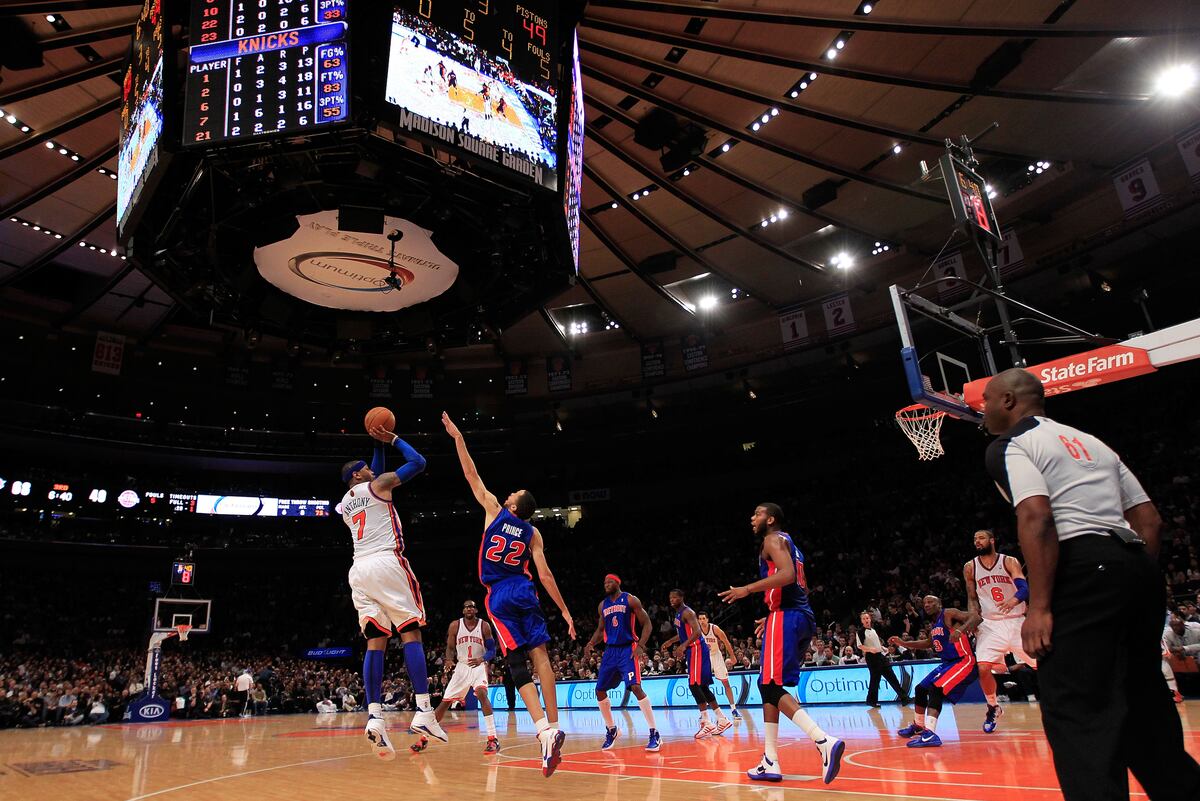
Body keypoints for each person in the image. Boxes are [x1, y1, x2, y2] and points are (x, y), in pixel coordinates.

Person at [981, 367, 1200, 800]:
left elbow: (1037, 516)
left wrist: (1040, 606)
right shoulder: (1094, 443)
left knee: (1079, 717)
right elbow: (1149, 521)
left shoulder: (1011, 445)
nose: (982, 409)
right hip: (1135, 565)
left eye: (987, 399)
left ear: (1008, 400)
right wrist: (1127, 576)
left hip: (1081, 565)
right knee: (1145, 711)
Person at [442, 412, 575, 778]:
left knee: (516, 663)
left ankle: (543, 730)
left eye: (513, 494)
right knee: (541, 657)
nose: (508, 494)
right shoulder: (533, 534)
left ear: (514, 507)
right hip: (526, 589)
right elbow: (545, 575)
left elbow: (471, 474)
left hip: (499, 594)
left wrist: (458, 438)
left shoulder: (495, 511)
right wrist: (565, 611)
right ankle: (554, 725)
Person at [339, 422, 445, 763]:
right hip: (386, 562)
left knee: (376, 641)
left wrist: (377, 444)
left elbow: (375, 472)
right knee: (410, 631)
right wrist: (395, 439)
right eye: (367, 468)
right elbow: (419, 463)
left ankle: (374, 717)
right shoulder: (378, 485)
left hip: (359, 571)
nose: (373, 470)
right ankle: (425, 711)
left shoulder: (345, 504)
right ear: (358, 475)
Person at [719, 503, 845, 785]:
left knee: (768, 686)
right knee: (770, 686)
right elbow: (802, 586)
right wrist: (773, 614)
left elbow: (787, 575)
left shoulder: (772, 540)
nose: (752, 517)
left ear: (771, 519)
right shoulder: (792, 544)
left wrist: (747, 590)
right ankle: (770, 759)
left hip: (787, 616)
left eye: (758, 513)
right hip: (799, 615)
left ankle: (823, 740)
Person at [963, 528, 1036, 732]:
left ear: (992, 540)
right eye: (975, 539)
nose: (977, 541)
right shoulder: (970, 567)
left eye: (981, 538)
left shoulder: (1009, 561)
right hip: (990, 624)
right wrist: (972, 619)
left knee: (1042, 664)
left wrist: (1013, 600)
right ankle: (993, 707)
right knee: (983, 668)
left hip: (1016, 621)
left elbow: (1024, 588)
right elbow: (972, 598)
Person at [582, 574, 661, 752]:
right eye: (604, 583)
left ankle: (654, 732)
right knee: (599, 690)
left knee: (636, 687)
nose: (606, 585)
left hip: (628, 648)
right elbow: (600, 629)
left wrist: (641, 645)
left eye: (609, 582)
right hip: (610, 651)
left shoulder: (630, 600)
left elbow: (647, 623)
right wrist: (590, 643)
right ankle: (612, 729)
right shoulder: (602, 605)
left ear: (617, 583)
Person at [890, 595, 980, 747]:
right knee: (920, 689)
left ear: (939, 604)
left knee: (936, 688)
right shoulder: (935, 624)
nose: (926, 604)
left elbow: (976, 617)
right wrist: (904, 643)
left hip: (963, 660)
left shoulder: (949, 613)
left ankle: (930, 733)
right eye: (924, 602)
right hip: (947, 663)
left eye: (930, 602)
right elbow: (928, 643)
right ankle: (919, 725)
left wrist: (960, 630)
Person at [431, 600, 500, 753]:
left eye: (472, 607)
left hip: (478, 665)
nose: (469, 609)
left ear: (476, 610)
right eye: (467, 607)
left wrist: (482, 659)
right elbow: (450, 648)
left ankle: (493, 738)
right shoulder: (455, 625)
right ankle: (424, 738)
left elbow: (492, 650)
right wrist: (449, 659)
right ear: (463, 610)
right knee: (444, 703)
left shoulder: (484, 626)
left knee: (481, 694)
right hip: (461, 666)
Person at [662, 590, 731, 739]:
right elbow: (683, 634)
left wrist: (683, 645)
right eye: (670, 597)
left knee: (694, 685)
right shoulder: (678, 614)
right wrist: (671, 641)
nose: (672, 600)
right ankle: (722, 719)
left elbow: (697, 632)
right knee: (702, 686)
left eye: (675, 597)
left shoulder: (688, 612)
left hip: (697, 649)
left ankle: (706, 721)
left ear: (682, 598)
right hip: (692, 650)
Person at [857, 611, 908, 707]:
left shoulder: (873, 630)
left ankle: (904, 698)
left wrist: (881, 647)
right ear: (861, 621)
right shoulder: (860, 631)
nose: (866, 620)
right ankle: (871, 701)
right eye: (864, 619)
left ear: (870, 619)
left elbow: (875, 643)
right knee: (875, 680)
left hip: (880, 656)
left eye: (867, 618)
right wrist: (870, 649)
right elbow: (860, 646)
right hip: (871, 657)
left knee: (892, 676)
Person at [697, 612, 742, 720]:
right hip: (704, 657)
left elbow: (726, 642)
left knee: (726, 683)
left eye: (704, 618)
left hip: (716, 655)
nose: (702, 621)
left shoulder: (714, 628)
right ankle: (704, 712)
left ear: (707, 619)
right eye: (700, 619)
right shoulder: (697, 631)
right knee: (703, 686)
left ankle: (734, 709)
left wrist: (732, 656)